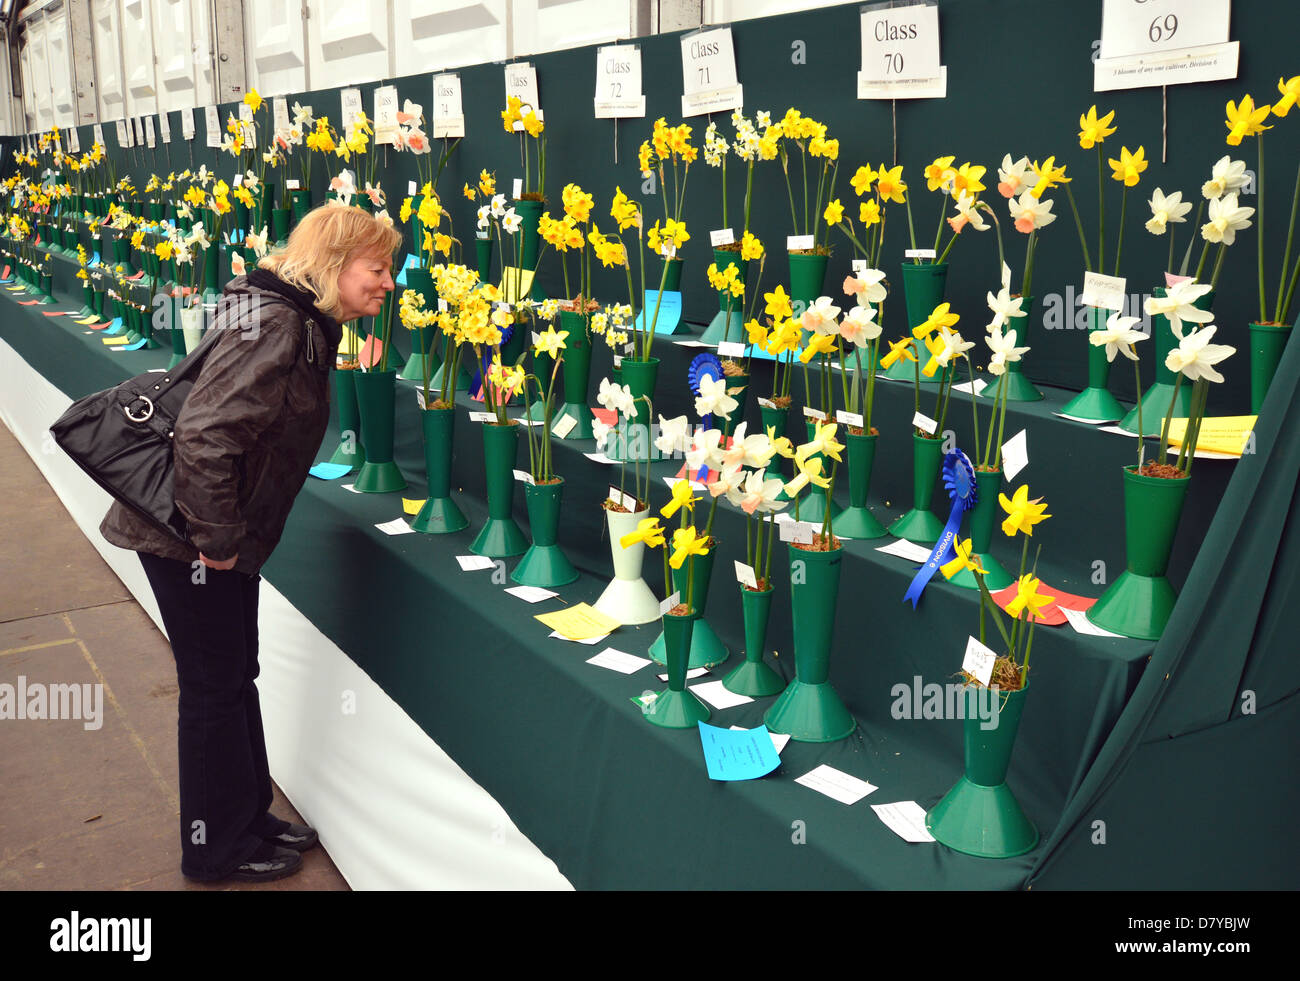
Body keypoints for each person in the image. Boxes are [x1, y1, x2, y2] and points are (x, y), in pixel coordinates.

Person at [99, 204, 400, 882]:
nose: (387, 284)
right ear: (332, 265)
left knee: (236, 674)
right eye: (376, 269)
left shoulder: (290, 315)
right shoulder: (276, 323)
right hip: (189, 533)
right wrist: (218, 542)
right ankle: (212, 850)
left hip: (215, 530)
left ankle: (246, 814)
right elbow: (205, 436)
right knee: (212, 686)